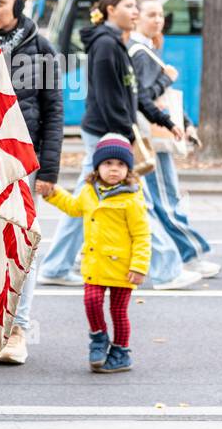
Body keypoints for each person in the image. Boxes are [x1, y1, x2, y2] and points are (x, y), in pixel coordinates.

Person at [38, 0, 197, 290]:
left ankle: (57, 265)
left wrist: (165, 120)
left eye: (136, 6)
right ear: (110, 10)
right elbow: (110, 99)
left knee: (87, 199)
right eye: (128, 6)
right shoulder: (107, 46)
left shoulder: (115, 44)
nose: (135, 11)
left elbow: (131, 94)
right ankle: (167, 270)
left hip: (104, 132)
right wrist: (125, 138)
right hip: (106, 134)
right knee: (137, 200)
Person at [0, 0, 64, 364]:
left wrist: (48, 171)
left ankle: (18, 330)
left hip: (23, 162)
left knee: (22, 245)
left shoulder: (43, 50)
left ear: (18, 3)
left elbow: (53, 111)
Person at [37, 133, 151, 372]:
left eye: (120, 165)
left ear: (128, 169)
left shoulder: (132, 198)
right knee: (91, 301)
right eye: (108, 163)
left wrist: (139, 266)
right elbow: (74, 207)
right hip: (95, 263)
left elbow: (142, 236)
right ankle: (98, 339)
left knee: (119, 312)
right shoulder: (90, 191)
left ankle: (121, 352)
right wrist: (52, 193)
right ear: (97, 166)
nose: (113, 169)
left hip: (123, 267)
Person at [128, 0, 221, 278]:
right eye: (152, 15)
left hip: (154, 134)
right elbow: (146, 96)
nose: (158, 20)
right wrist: (167, 77)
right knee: (165, 200)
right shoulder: (140, 52)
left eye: (161, 15)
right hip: (152, 138)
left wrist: (186, 122)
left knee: (156, 200)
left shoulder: (143, 49)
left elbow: (161, 98)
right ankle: (188, 255)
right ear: (138, 18)